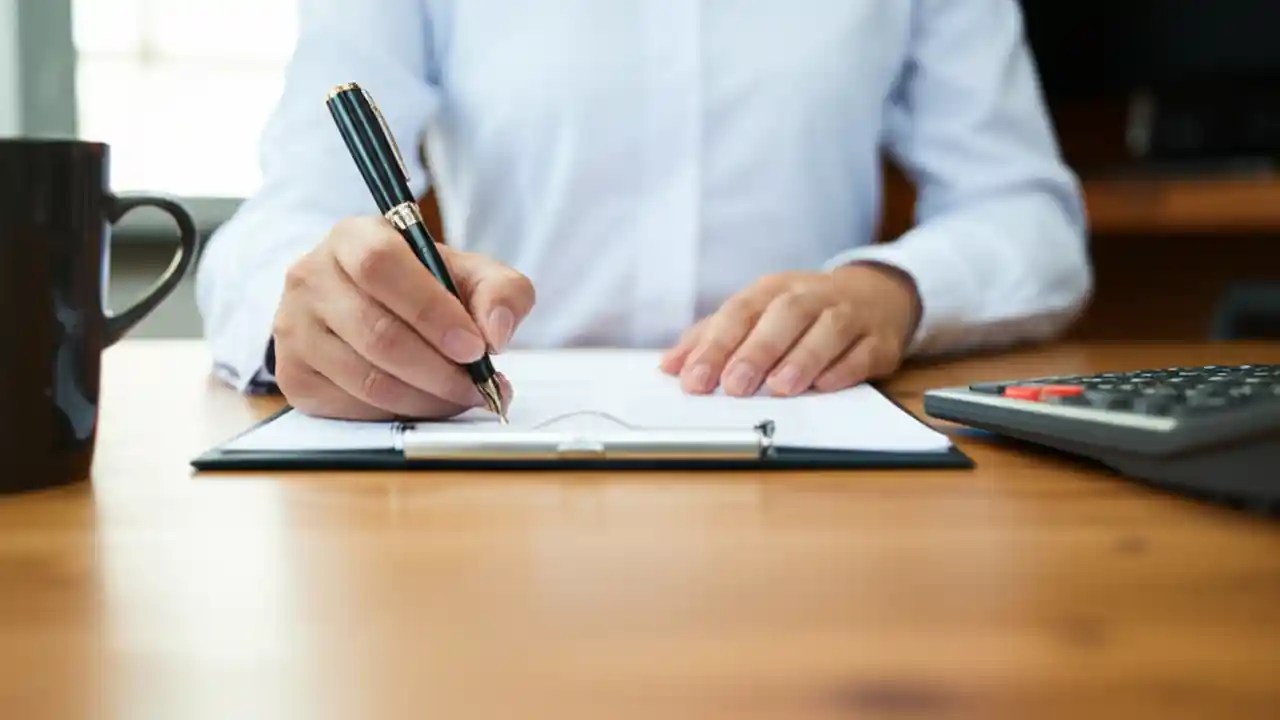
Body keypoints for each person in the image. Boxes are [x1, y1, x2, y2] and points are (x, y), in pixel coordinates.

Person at [197, 0, 1092, 420]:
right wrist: (306, 315)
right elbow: (282, 223)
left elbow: (1027, 215)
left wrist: (893, 289)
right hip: (488, 448)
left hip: (808, 435)